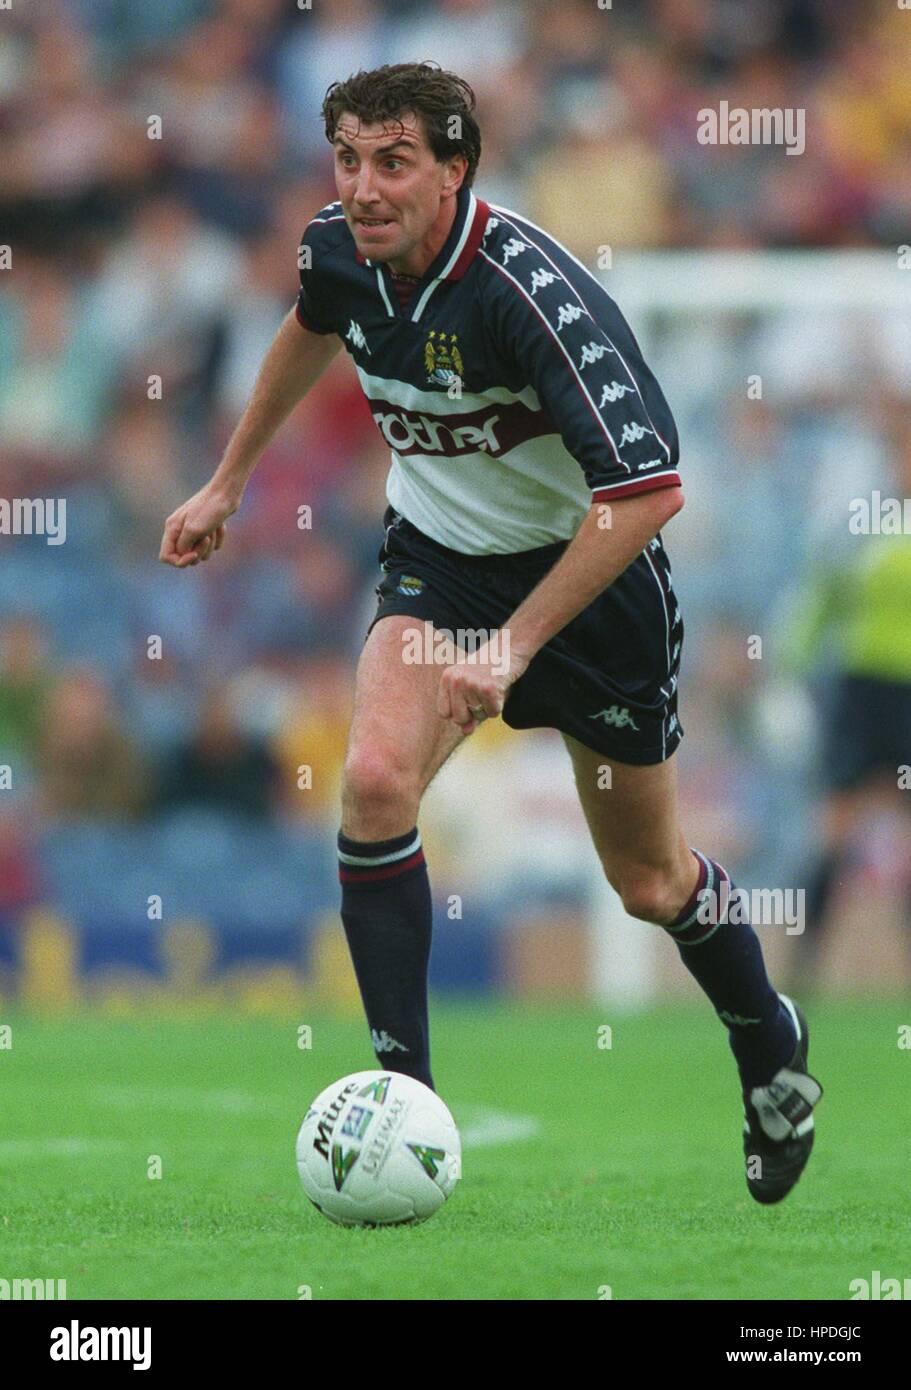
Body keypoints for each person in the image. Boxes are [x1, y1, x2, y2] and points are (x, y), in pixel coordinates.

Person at [159, 62, 822, 1204]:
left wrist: (514, 645)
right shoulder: (337, 248)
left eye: (394, 164)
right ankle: (400, 1104)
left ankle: (766, 1039)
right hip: (438, 568)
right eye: (349, 162)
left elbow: (650, 492)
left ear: (454, 170)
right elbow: (309, 325)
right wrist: (226, 480)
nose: (364, 189)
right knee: (371, 781)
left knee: (648, 879)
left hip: (592, 588)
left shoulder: (528, 293)